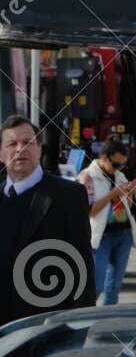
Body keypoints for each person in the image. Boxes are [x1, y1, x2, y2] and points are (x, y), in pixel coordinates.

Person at [0, 116, 94, 326]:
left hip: (46, 324)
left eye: (28, 142)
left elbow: (82, 265)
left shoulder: (68, 195)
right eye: (12, 144)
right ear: (1, 154)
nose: (20, 149)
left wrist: (80, 325)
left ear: (39, 149)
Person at [78, 137, 136, 305]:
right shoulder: (87, 177)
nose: (118, 168)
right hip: (101, 237)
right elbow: (89, 211)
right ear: (104, 158)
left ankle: (107, 319)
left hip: (123, 234)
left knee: (114, 287)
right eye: (116, 164)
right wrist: (112, 194)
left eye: (122, 165)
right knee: (96, 285)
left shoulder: (120, 176)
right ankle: (84, 316)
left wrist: (131, 193)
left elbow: (128, 205)